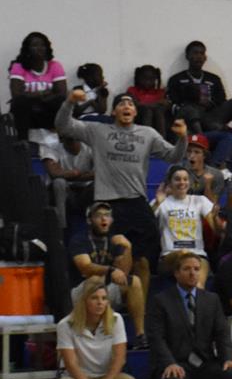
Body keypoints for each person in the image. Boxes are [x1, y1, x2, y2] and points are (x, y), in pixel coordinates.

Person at [56, 91, 188, 280]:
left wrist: (183, 138)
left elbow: (174, 156)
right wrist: (69, 102)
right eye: (121, 103)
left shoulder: (148, 134)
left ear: (135, 112)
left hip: (136, 202)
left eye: (131, 104)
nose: (126, 106)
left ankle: (140, 306)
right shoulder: (98, 131)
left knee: (143, 262)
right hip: (108, 204)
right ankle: (116, 299)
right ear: (113, 111)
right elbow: (63, 125)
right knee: (118, 259)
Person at [166, 40, 232, 163]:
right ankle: (208, 137)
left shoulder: (213, 78)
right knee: (190, 110)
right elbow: (173, 104)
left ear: (205, 57)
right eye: (195, 53)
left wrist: (211, 104)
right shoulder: (176, 79)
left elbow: (222, 101)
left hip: (213, 115)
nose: (199, 56)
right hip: (190, 118)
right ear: (187, 56)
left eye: (202, 53)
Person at [69, 202, 144, 342]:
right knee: (96, 280)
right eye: (99, 216)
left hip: (106, 290)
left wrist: (128, 248)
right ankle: (90, 332)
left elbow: (123, 273)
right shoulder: (79, 239)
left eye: (107, 216)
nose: (104, 219)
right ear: (89, 220)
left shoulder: (114, 239)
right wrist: (110, 270)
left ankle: (140, 335)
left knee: (134, 281)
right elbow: (85, 267)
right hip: (80, 292)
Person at [152, 166, 215, 275]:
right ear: (170, 183)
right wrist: (158, 203)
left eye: (185, 179)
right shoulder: (161, 202)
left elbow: (215, 226)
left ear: (189, 182)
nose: (182, 182)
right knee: (184, 254)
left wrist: (208, 186)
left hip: (198, 254)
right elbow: (148, 224)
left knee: (197, 276)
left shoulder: (200, 200)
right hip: (169, 255)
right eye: (177, 179)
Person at [9, 30, 67, 137]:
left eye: (42, 45)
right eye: (35, 45)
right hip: (28, 111)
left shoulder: (55, 65)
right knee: (20, 102)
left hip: (48, 108)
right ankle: (23, 141)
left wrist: (33, 96)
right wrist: (42, 94)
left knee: (61, 102)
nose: (39, 48)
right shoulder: (18, 66)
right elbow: (16, 95)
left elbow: (62, 93)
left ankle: (65, 140)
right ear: (27, 49)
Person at [41, 130, 95, 225]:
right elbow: (54, 173)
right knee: (59, 182)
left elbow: (97, 174)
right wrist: (82, 174)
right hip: (66, 191)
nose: (72, 140)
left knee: (100, 183)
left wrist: (73, 174)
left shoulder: (90, 148)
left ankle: (97, 221)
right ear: (62, 138)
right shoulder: (52, 147)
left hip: (85, 190)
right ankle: (61, 224)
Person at [127, 64, 170, 138]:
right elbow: (134, 104)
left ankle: (162, 141)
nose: (147, 81)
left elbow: (166, 105)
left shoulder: (160, 92)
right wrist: (155, 103)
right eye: (144, 78)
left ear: (155, 79)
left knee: (159, 111)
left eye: (151, 79)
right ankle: (146, 139)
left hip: (158, 121)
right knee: (147, 111)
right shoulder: (132, 90)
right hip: (139, 119)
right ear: (138, 78)